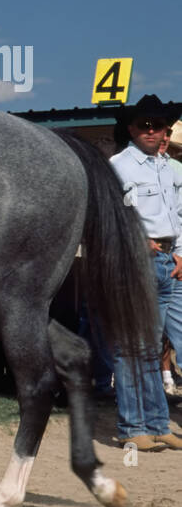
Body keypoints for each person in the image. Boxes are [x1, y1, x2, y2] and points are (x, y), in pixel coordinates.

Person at [106, 94, 182, 451]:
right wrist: (140, 240)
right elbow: (111, 215)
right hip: (135, 261)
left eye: (158, 125)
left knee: (152, 347)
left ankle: (155, 423)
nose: (152, 131)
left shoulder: (167, 167)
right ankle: (132, 426)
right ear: (132, 129)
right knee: (131, 346)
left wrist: (179, 253)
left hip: (166, 261)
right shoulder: (118, 165)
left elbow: (178, 215)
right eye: (144, 125)